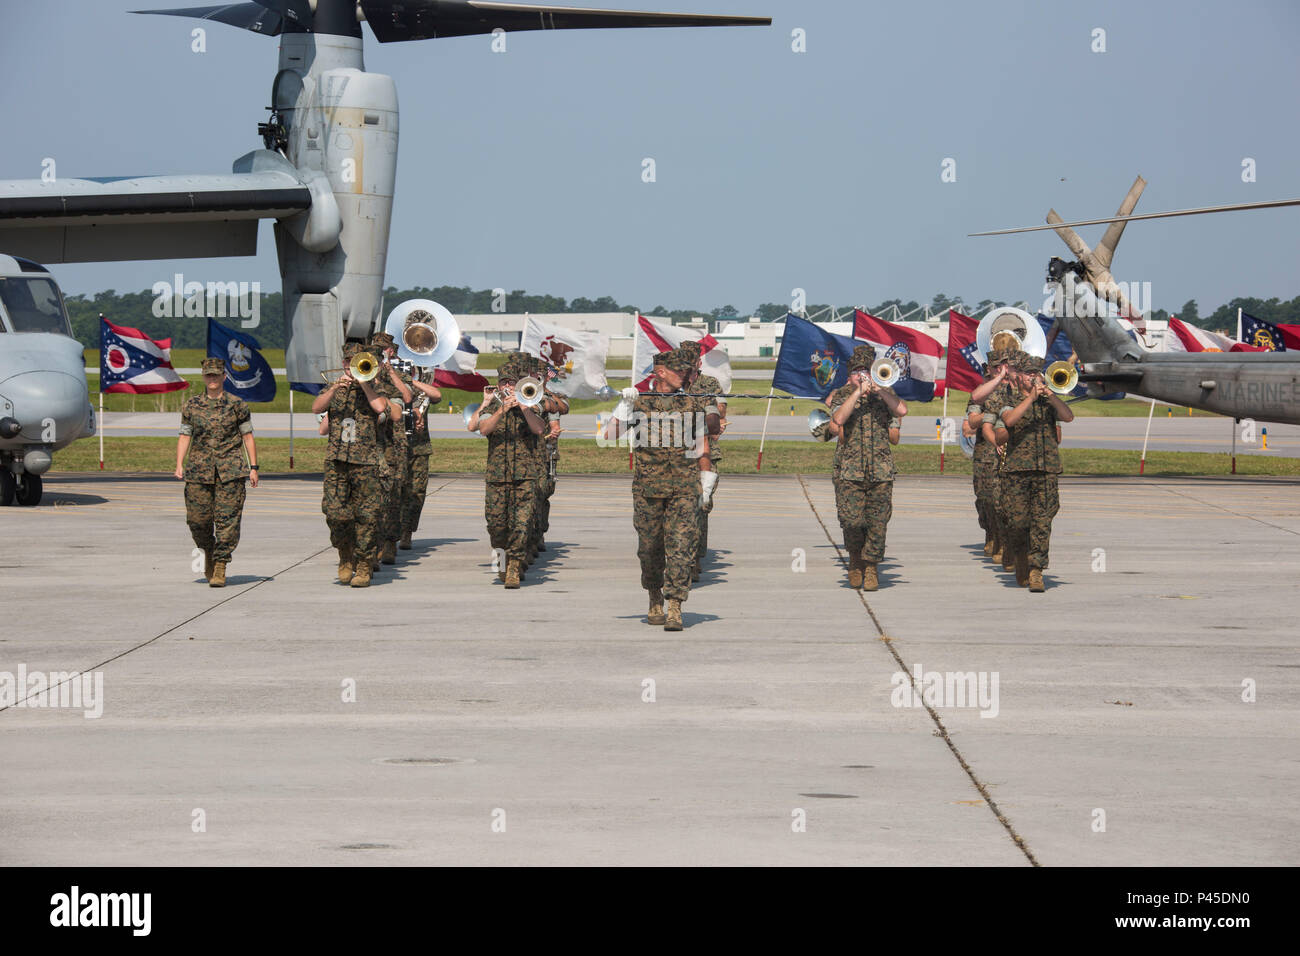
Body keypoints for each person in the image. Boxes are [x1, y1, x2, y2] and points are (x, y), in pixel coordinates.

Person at [602, 349, 718, 630]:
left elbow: (705, 440)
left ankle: (675, 605)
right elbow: (607, 436)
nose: (686, 376)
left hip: (684, 489)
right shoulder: (639, 403)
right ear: (661, 372)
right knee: (650, 549)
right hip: (648, 490)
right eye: (681, 371)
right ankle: (654, 594)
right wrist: (624, 407)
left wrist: (706, 482)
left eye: (688, 371)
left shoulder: (692, 404)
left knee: (681, 550)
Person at [311, 343, 397, 588]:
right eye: (348, 362)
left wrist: (363, 384)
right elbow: (317, 408)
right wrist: (336, 387)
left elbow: (381, 408)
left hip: (365, 462)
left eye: (356, 362)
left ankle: (363, 566)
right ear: (343, 364)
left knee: (367, 518)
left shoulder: (375, 387)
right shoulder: (334, 388)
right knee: (335, 514)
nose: (352, 367)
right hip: (337, 461)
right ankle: (345, 554)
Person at [829, 345, 908, 591]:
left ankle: (871, 567)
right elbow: (838, 420)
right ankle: (855, 560)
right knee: (851, 521)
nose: (861, 377)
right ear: (850, 375)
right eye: (857, 373)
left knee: (878, 523)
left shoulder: (884, 393)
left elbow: (902, 410)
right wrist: (858, 392)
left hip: (881, 470)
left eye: (866, 372)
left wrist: (879, 390)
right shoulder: (843, 395)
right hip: (850, 471)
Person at [994, 351, 1074, 592]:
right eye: (1029, 373)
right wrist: (1030, 398)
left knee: (1042, 522)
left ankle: (1037, 569)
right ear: (1019, 377)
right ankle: (1020, 557)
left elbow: (1068, 417)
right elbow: (1008, 421)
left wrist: (1050, 395)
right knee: (1017, 523)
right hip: (1017, 471)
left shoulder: (1048, 401)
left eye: (1037, 373)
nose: (1034, 378)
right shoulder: (1010, 399)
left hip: (1046, 469)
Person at [175, 357, 257, 587]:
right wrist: (179, 463)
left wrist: (254, 467)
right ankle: (208, 553)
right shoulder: (191, 405)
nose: (212, 379)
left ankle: (220, 565)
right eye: (208, 375)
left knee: (227, 522)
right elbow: (185, 435)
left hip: (230, 470)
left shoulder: (237, 405)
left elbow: (247, 437)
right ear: (204, 376)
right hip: (199, 471)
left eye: (216, 375)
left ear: (224, 377)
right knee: (197, 521)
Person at [475, 353, 546, 588]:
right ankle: (503, 561)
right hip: (497, 476)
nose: (507, 387)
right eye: (504, 382)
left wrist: (524, 409)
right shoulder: (493, 406)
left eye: (511, 383)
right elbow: (483, 429)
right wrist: (501, 410)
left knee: (521, 524)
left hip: (524, 475)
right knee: (496, 525)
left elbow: (538, 429)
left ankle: (514, 567)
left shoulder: (531, 401)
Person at [679, 339, 724, 581]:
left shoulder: (709, 384)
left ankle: (695, 556)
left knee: (701, 505)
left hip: (705, 449)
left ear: (698, 361)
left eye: (691, 361)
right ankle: (680, 556)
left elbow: (718, 413)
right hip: (676, 452)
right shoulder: (673, 383)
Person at [369, 333, 412, 567]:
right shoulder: (361, 375)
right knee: (371, 498)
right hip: (369, 445)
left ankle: (388, 543)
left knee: (392, 497)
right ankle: (372, 545)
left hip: (392, 446)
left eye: (382, 350)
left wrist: (389, 374)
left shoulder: (392, 376)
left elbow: (406, 397)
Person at [966, 349, 1010, 561]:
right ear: (990, 368)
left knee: (1004, 499)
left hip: (1010, 451)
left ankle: (1003, 541)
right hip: (986, 453)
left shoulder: (1015, 388)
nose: (1003, 369)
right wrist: (992, 413)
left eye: (1006, 365)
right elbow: (973, 422)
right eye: (998, 366)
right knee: (986, 498)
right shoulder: (983, 391)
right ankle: (990, 532)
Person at [401, 367, 441, 550]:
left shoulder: (419, 388)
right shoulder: (389, 387)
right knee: (394, 492)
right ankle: (387, 536)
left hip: (419, 447)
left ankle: (407, 532)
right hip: (394, 448)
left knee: (417, 492)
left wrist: (411, 381)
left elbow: (436, 395)